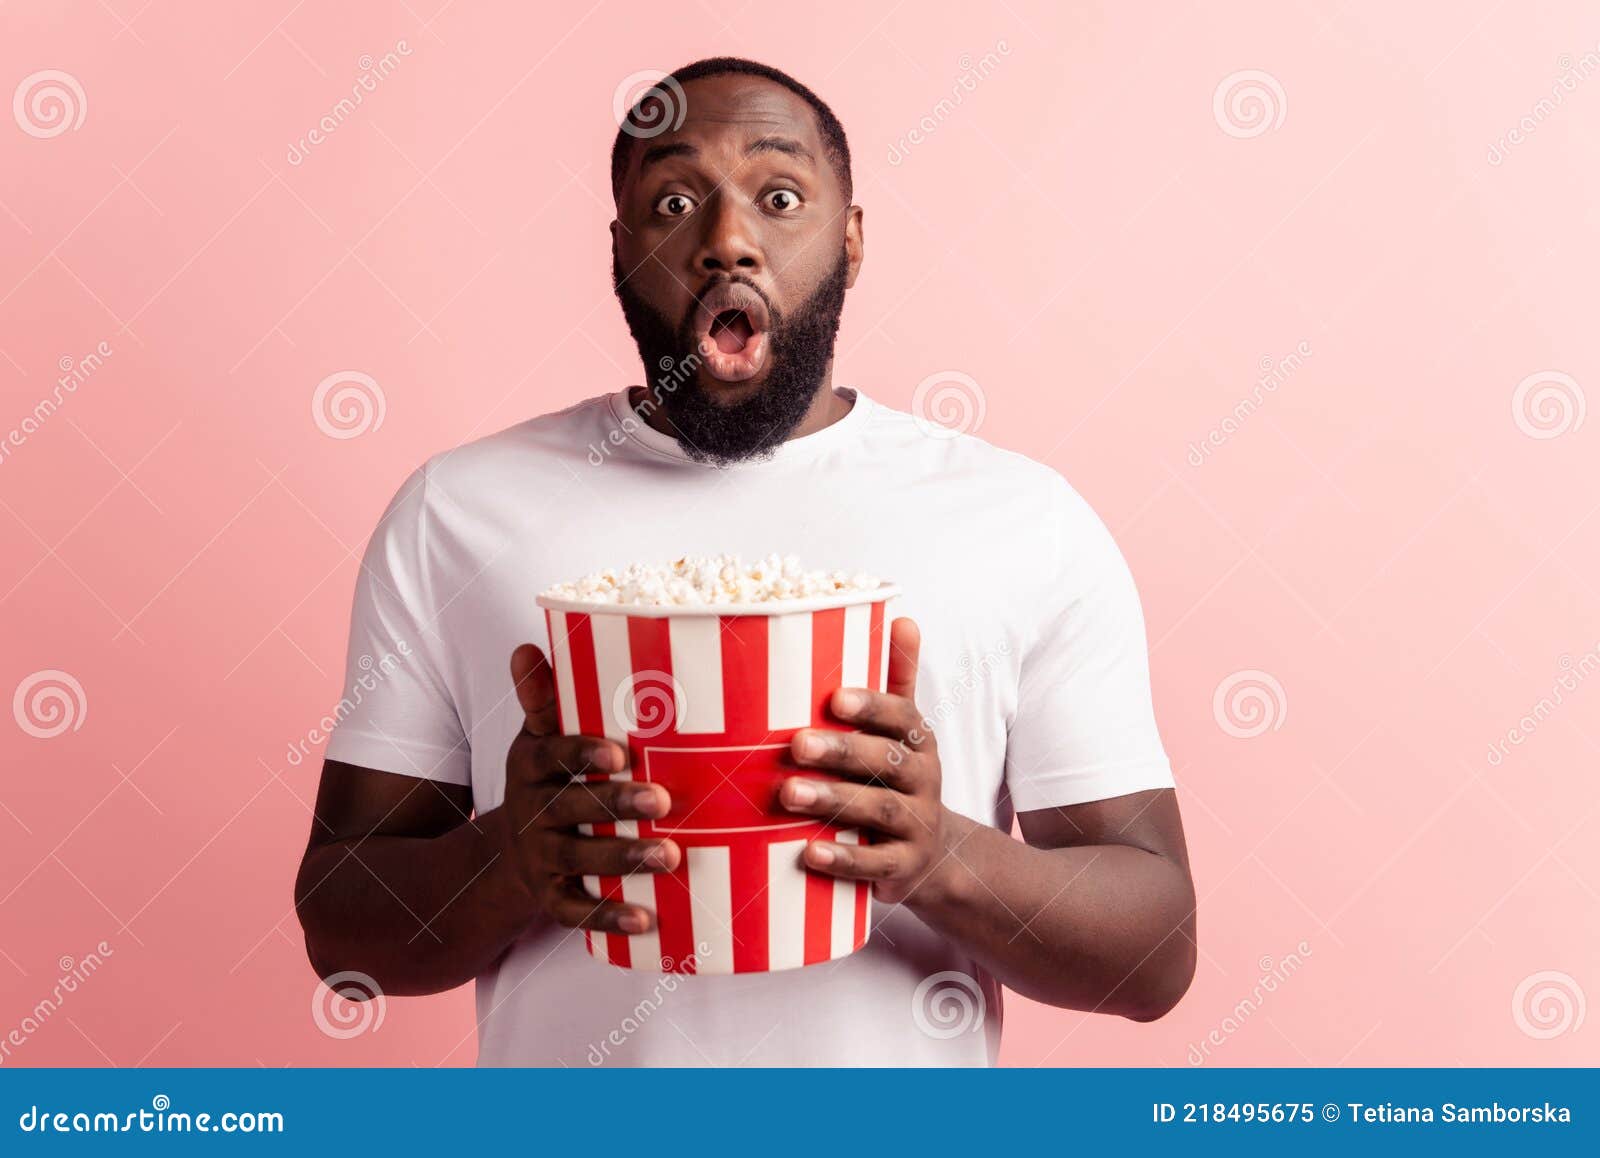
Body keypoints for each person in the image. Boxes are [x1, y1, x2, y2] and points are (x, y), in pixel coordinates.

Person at [294, 57, 1195, 1066]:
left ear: (850, 241)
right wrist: (506, 861)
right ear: (620, 250)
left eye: (778, 196)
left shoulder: (1019, 521)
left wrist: (938, 854)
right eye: (673, 201)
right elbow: (343, 930)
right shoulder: (458, 512)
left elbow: (1154, 954)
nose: (727, 240)